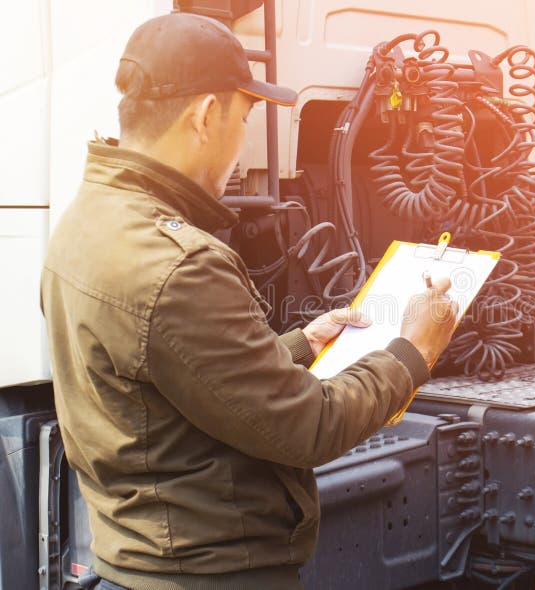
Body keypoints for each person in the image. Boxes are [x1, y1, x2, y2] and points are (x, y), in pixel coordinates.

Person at [40, 12, 457, 590]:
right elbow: (310, 427)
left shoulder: (86, 222)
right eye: (243, 117)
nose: (242, 140)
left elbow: (164, 375)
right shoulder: (179, 266)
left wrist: (297, 346)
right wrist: (414, 351)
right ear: (206, 116)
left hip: (140, 561)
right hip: (208, 575)